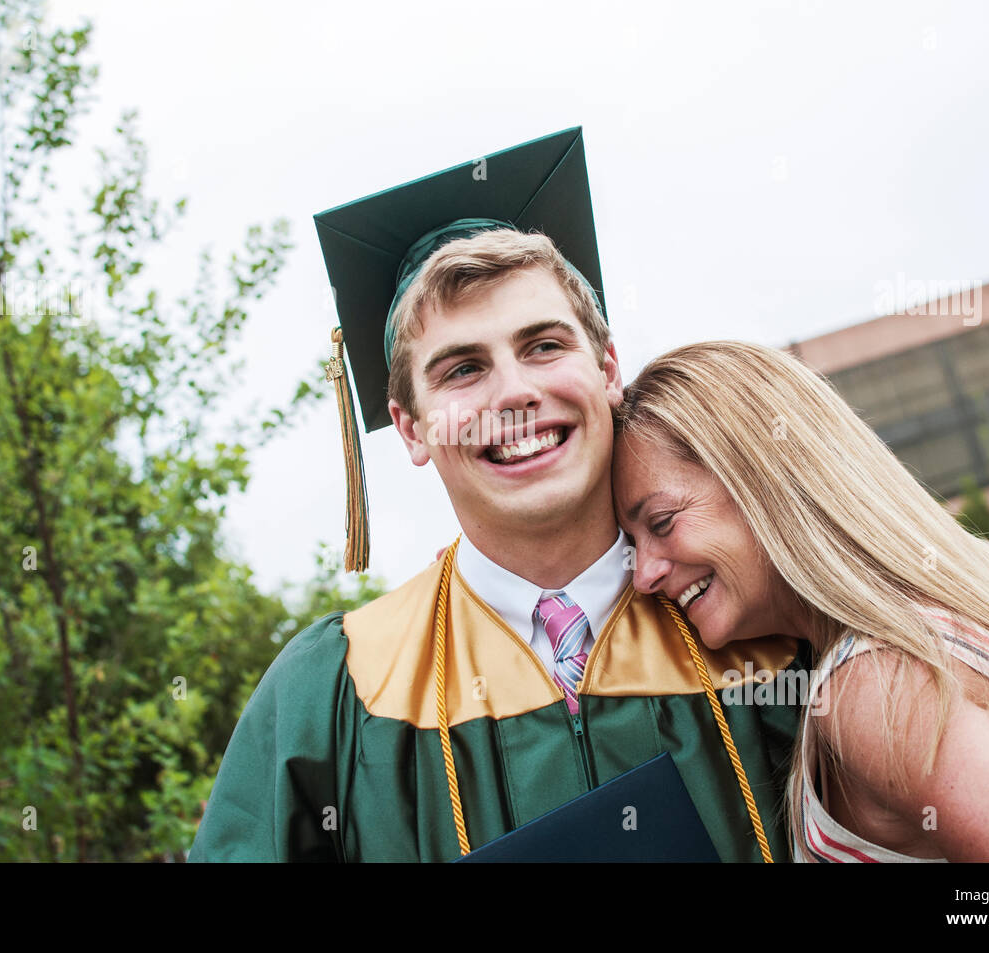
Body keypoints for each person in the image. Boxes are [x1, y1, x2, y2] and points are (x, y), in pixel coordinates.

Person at [189, 131, 804, 862]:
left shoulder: (767, 613)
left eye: (544, 345)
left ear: (608, 370)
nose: (515, 392)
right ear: (410, 428)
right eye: (462, 370)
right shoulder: (338, 692)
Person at [613, 340, 989, 862]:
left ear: (764, 479)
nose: (645, 574)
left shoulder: (876, 682)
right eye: (632, 545)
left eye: (661, 523)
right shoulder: (977, 603)